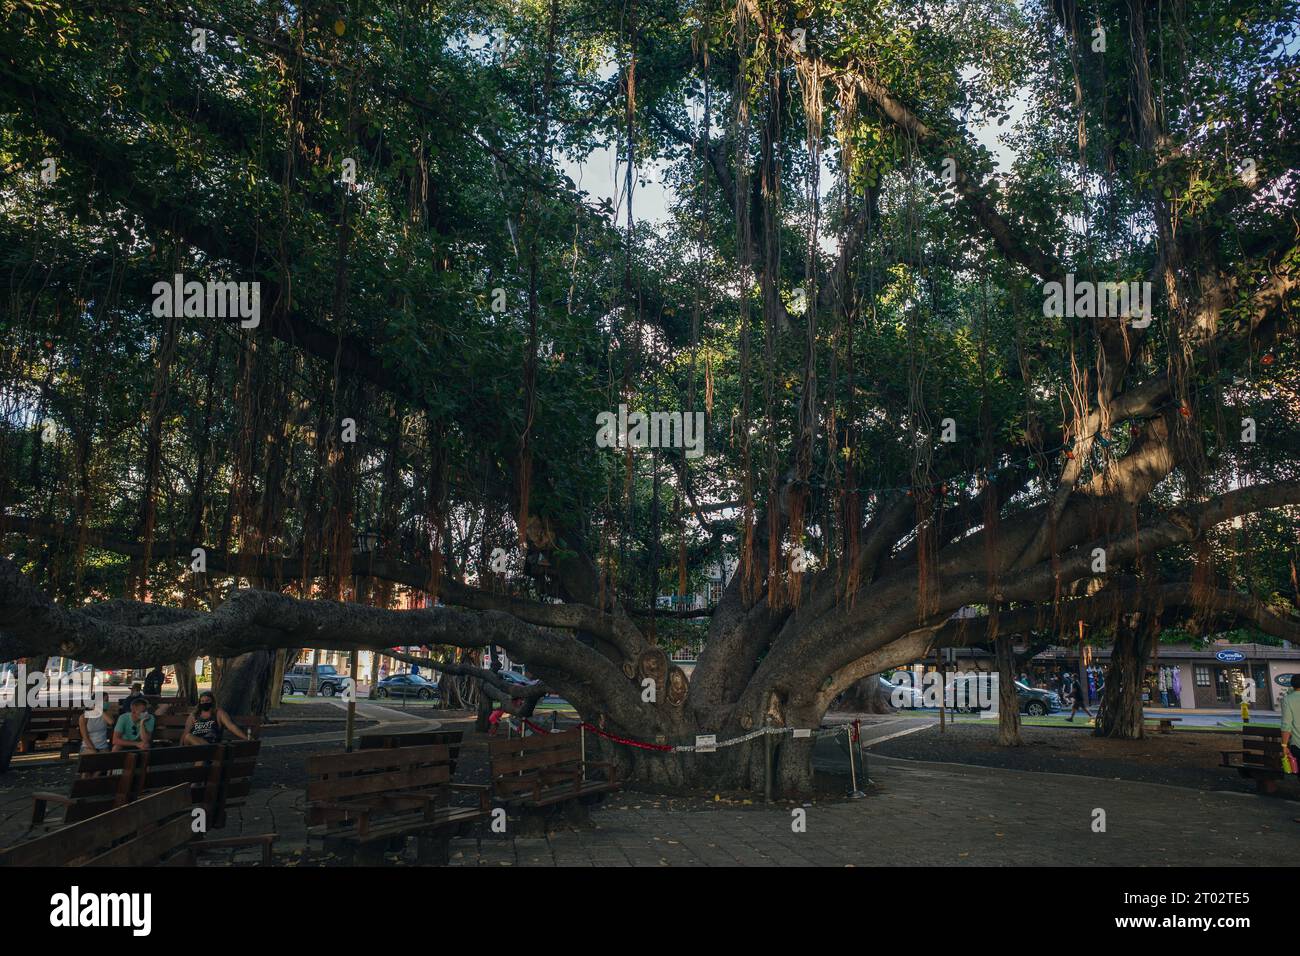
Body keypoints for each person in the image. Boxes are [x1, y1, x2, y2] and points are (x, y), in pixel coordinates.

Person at [180, 691, 249, 746]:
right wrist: (179, 748)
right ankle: (208, 756)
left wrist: (246, 738)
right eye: (202, 701)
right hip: (194, 744)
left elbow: (231, 726)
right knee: (188, 736)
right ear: (199, 703)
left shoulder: (218, 713)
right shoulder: (194, 715)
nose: (205, 703)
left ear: (212, 701)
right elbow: (186, 732)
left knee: (200, 758)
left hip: (212, 744)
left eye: (207, 700)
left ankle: (207, 756)